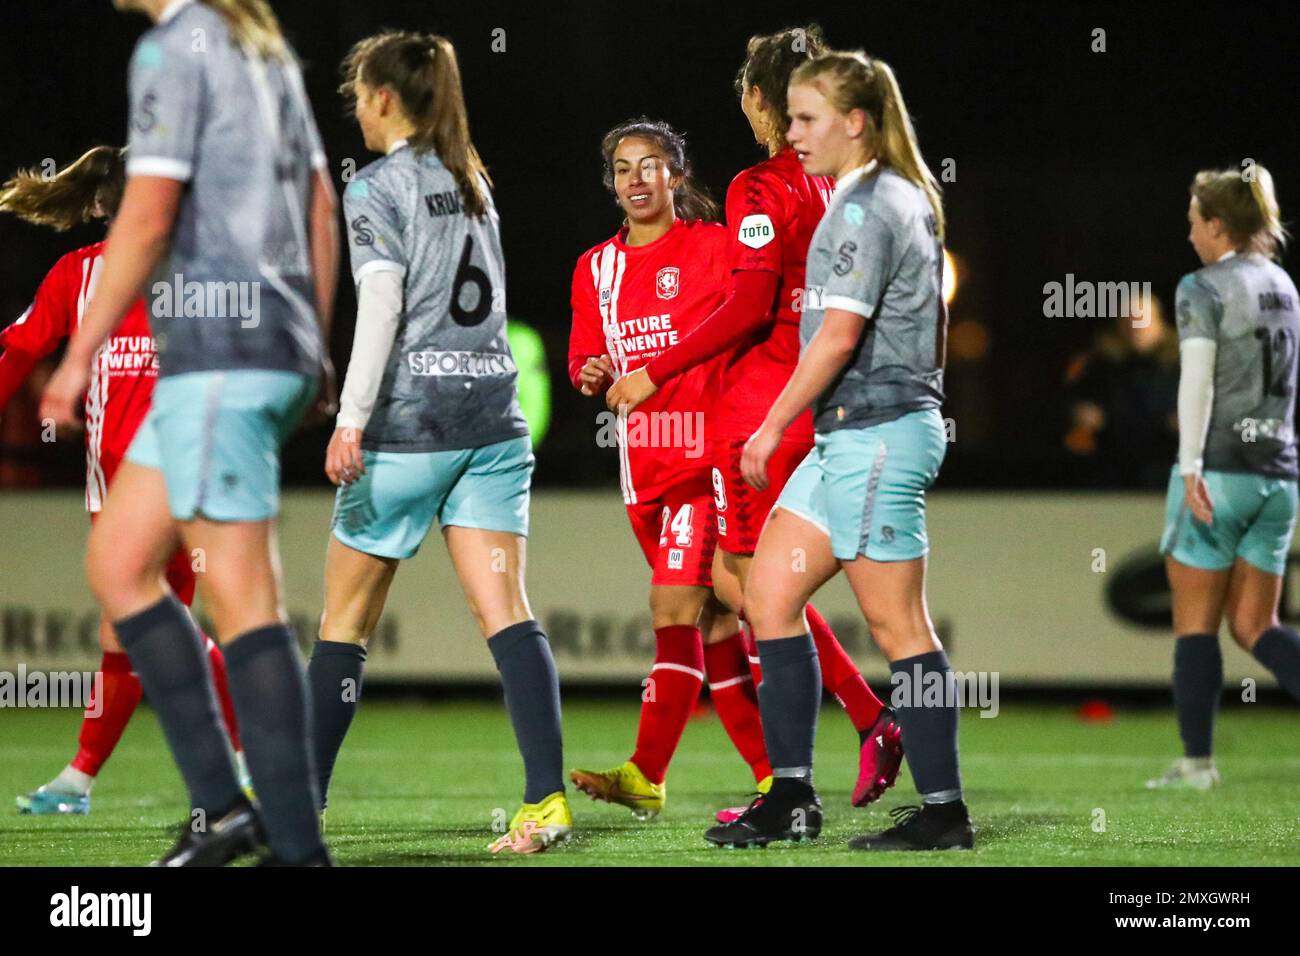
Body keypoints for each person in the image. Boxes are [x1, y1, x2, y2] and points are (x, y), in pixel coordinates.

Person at [41, 0, 337, 866]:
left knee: (243, 602)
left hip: (219, 354)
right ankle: (233, 809)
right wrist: (312, 342)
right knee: (121, 563)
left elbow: (146, 216)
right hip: (256, 348)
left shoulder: (174, 47)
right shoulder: (260, 46)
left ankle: (288, 842)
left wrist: (76, 357)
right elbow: (321, 205)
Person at [605, 28, 902, 817]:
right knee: (763, 591)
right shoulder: (851, 186)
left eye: (746, 92)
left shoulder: (762, 185)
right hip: (839, 404)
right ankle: (847, 746)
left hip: (763, 412)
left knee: (753, 592)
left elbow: (748, 303)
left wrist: (654, 368)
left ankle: (811, 770)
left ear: (761, 102)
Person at [702, 50, 974, 851]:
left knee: (900, 632)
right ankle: (790, 798)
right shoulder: (881, 195)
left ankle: (945, 812)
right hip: (849, 434)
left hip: (873, 434)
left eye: (807, 117)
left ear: (856, 122)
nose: (792, 131)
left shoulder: (864, 208)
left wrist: (768, 424)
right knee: (768, 601)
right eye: (789, 115)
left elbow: (840, 336)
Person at [308, 30, 569, 856]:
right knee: (506, 613)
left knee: (344, 623)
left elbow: (381, 305)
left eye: (358, 91)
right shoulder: (472, 178)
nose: (353, 104)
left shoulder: (377, 187)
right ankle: (546, 803)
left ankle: (297, 803)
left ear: (384, 98)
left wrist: (351, 418)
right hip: (492, 421)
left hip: (411, 424)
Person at [0, 146, 248, 816]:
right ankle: (80, 781)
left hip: (180, 477)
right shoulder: (78, 277)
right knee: (131, 631)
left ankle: (253, 752)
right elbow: (18, 351)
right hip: (109, 489)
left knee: (145, 623)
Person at [567, 118, 774, 818]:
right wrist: (592, 371)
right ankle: (773, 776)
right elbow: (585, 359)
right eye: (623, 168)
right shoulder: (596, 268)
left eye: (650, 165)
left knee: (676, 606)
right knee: (721, 622)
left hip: (705, 464)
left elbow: (754, 314)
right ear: (611, 184)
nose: (635, 178)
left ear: (678, 177)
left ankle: (648, 769)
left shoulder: (715, 249)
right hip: (643, 472)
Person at [1150, 164, 1300, 790]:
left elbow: (1197, 381)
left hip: (1222, 471)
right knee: (1256, 627)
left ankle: (1197, 764)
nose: (1189, 236)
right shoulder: (1285, 285)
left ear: (1216, 224)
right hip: (1281, 476)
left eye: (1193, 223)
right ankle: (1196, 762)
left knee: (1196, 625)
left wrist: (1190, 467)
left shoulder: (1202, 287)